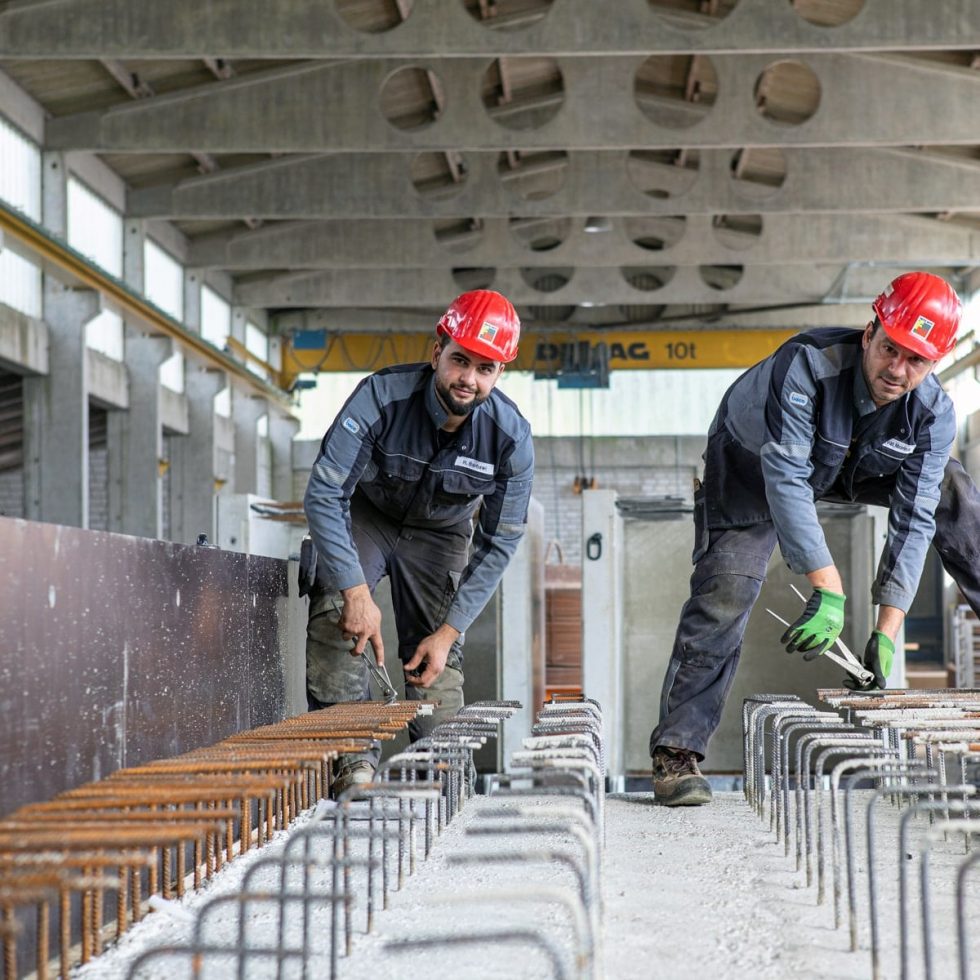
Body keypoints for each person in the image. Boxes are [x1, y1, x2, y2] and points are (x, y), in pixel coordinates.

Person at [649, 271, 980, 806]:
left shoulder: (934, 412)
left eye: (916, 361)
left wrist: (887, 629)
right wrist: (828, 589)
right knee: (727, 587)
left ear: (934, 364)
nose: (897, 370)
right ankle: (676, 752)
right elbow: (787, 479)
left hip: (857, 462)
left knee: (953, 491)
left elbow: (915, 519)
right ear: (870, 330)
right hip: (752, 460)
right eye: (891, 349)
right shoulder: (807, 364)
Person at [301, 289, 534, 797]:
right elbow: (324, 493)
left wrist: (449, 631)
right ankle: (352, 764)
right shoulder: (380, 398)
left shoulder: (511, 439)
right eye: (459, 360)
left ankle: (440, 770)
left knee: (435, 658)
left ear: (499, 374)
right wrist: (356, 593)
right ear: (437, 352)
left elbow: (498, 545)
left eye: (485, 368)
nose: (468, 379)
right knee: (339, 614)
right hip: (367, 515)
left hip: (442, 533)